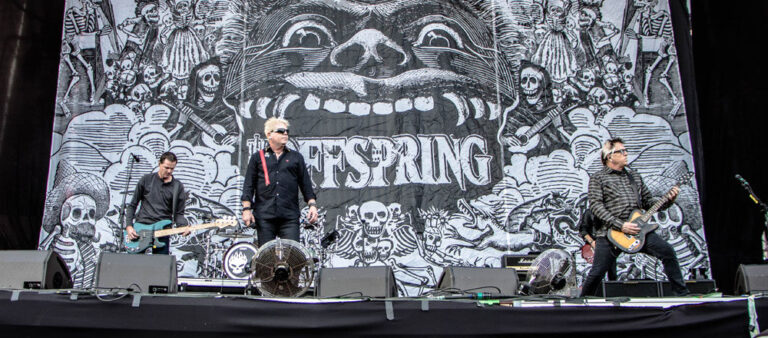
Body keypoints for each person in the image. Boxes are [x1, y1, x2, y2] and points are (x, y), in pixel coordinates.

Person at [580, 138, 689, 297]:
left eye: (626, 151)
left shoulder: (634, 177)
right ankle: (582, 303)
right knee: (597, 272)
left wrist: (668, 200)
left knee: (667, 251)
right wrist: (620, 225)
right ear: (609, 156)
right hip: (610, 233)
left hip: (638, 229)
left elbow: (649, 202)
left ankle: (681, 294)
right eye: (621, 151)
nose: (626, 154)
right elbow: (596, 206)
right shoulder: (598, 178)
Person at [241, 117, 318, 247]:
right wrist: (246, 209)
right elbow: (249, 185)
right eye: (281, 131)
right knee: (266, 257)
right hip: (265, 216)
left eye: (287, 131)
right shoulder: (257, 157)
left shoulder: (295, 157)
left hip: (289, 216)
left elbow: (305, 184)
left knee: (292, 255)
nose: (285, 134)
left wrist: (312, 205)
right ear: (269, 134)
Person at [124, 151, 188, 254]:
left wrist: (183, 226)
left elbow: (179, 213)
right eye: (166, 167)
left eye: (172, 168)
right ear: (159, 164)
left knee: (161, 266)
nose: (169, 171)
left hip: (162, 230)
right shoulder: (146, 180)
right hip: (141, 228)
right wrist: (129, 226)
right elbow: (132, 205)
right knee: (135, 265)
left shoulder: (177, 186)